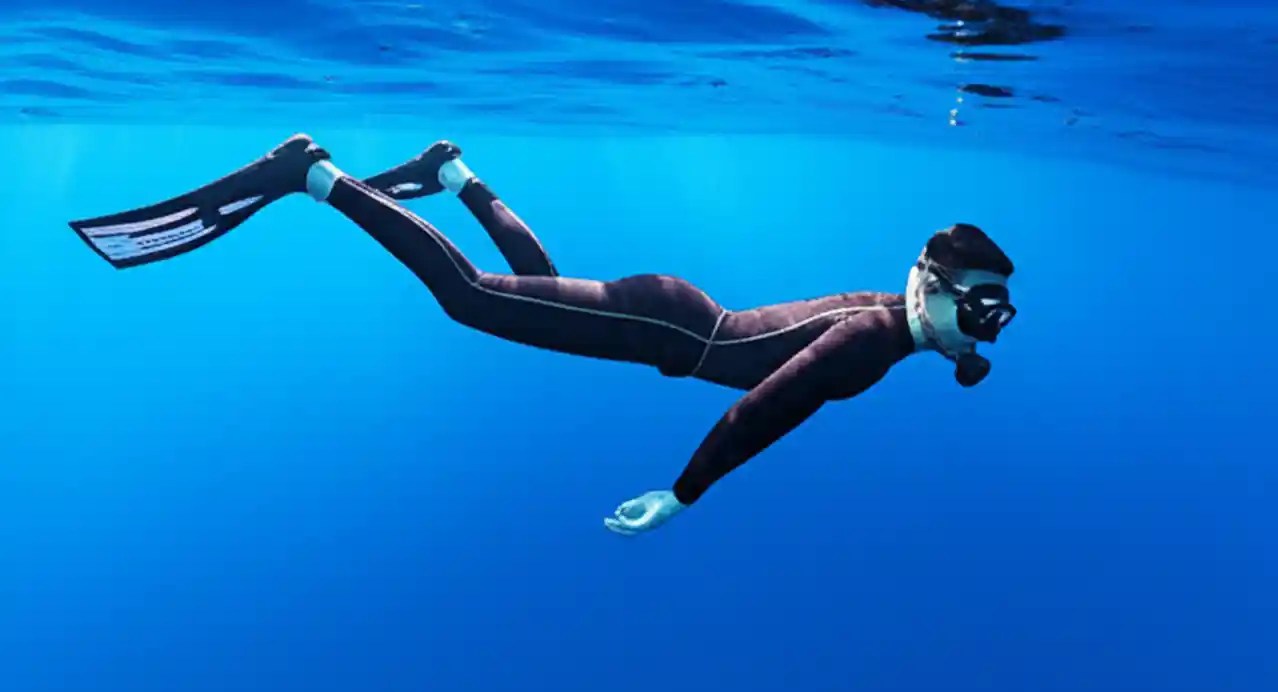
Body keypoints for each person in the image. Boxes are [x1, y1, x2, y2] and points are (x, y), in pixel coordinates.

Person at [68, 135, 1017, 536]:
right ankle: (309, 173)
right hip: (674, 327)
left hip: (677, 318)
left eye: (996, 316)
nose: (986, 328)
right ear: (928, 286)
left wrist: (965, 351)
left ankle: (455, 174)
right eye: (978, 307)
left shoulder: (910, 323)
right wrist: (682, 496)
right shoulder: (867, 341)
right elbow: (769, 406)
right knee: (472, 297)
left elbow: (949, 340)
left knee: (534, 284)